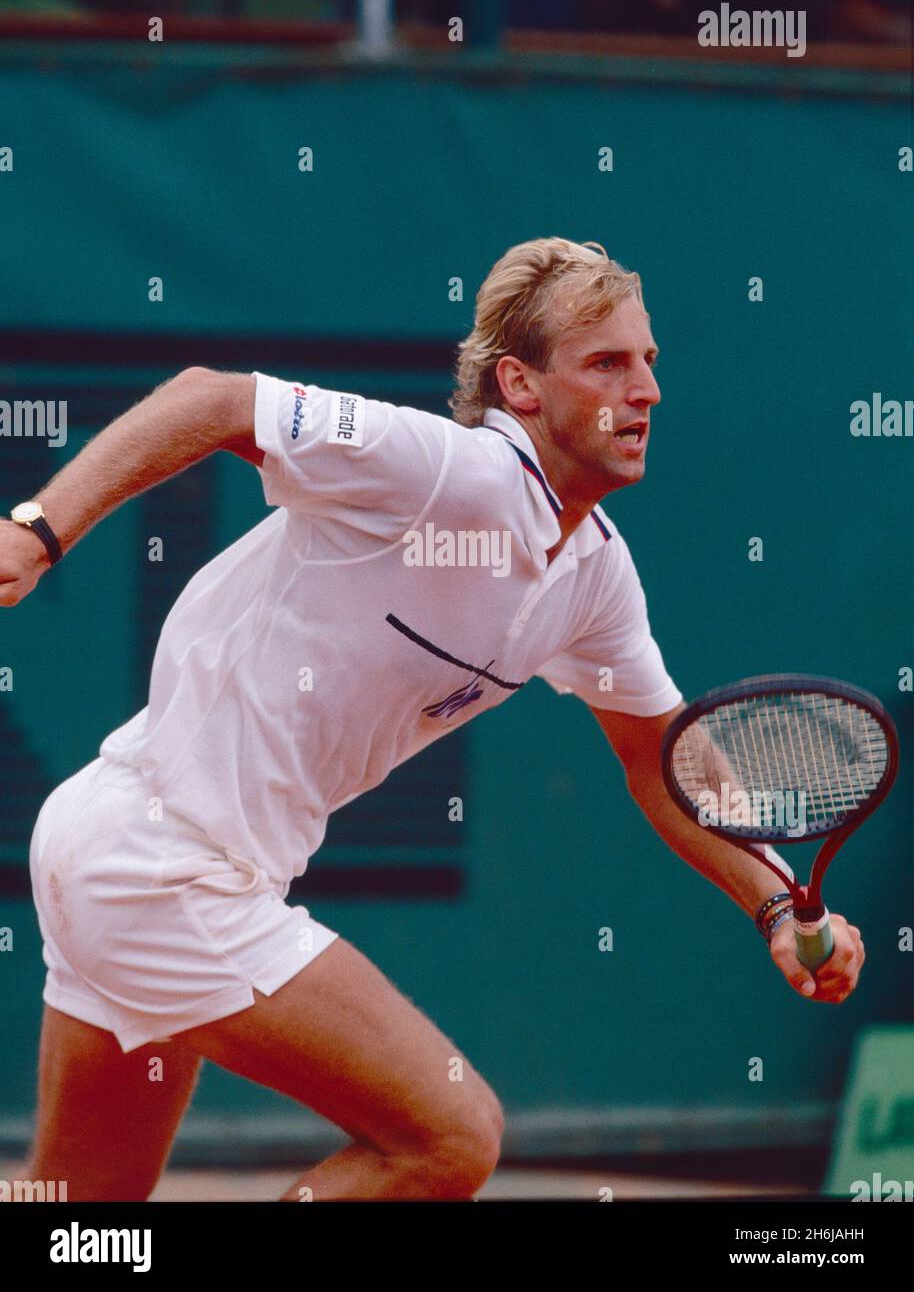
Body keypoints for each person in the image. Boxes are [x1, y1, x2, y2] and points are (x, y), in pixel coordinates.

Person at [3, 237, 865, 1202]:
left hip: (112, 848)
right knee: (449, 1137)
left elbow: (661, 758)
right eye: (608, 364)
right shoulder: (448, 473)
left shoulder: (595, 576)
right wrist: (39, 530)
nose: (647, 391)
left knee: (79, 1213)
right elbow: (211, 397)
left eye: (650, 362)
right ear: (520, 386)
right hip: (167, 864)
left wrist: (777, 905)